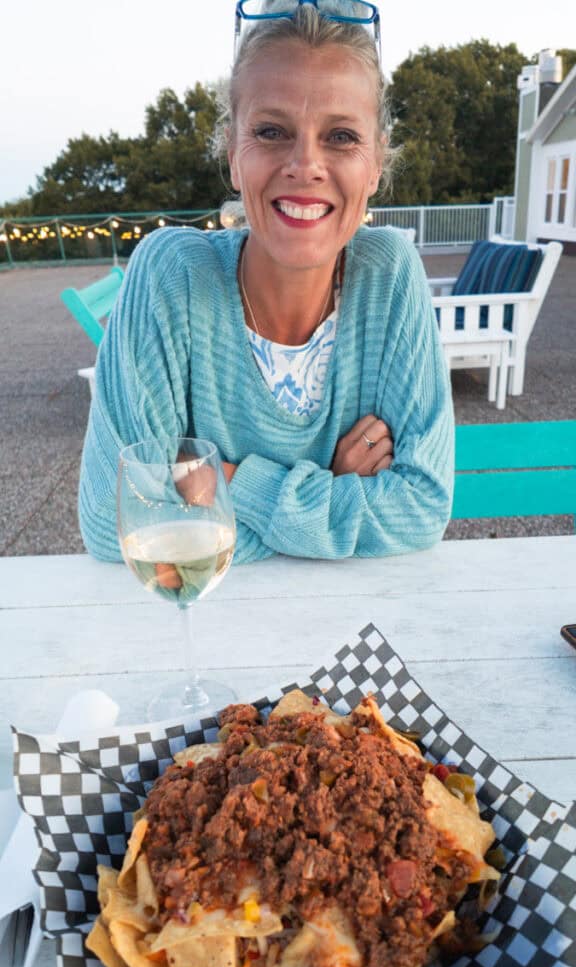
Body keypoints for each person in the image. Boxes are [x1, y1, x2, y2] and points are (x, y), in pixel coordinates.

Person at [79, 0, 454, 565]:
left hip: (343, 626)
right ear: (233, 154)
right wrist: (330, 485)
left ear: (376, 164)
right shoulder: (170, 275)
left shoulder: (391, 276)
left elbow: (420, 508)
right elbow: (118, 527)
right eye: (272, 131)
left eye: (343, 137)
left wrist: (230, 482)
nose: (305, 164)